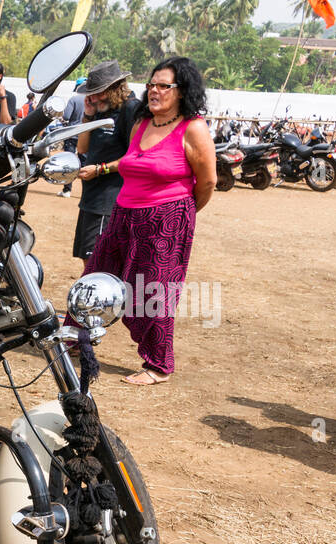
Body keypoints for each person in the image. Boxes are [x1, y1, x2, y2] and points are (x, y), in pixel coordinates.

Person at [83, 56, 216, 386]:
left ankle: (158, 365)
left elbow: (208, 181)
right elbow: (128, 164)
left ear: (182, 91)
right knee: (94, 276)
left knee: (153, 293)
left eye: (163, 86)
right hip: (124, 214)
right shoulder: (142, 123)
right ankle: (75, 339)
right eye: (151, 85)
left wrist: (180, 213)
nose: (154, 91)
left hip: (166, 220)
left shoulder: (193, 128)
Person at [71, 62, 138, 262]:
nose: (92, 97)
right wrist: (88, 115)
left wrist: (99, 170)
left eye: (97, 92)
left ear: (114, 89)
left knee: (97, 262)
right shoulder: (101, 108)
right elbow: (82, 148)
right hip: (91, 196)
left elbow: (135, 157)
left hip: (110, 199)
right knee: (87, 259)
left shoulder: (130, 109)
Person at [59, 79, 87, 197]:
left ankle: (67, 190)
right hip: (85, 135)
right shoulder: (92, 100)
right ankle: (86, 192)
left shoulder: (73, 99)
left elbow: (66, 116)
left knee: (69, 162)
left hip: (72, 135)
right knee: (85, 163)